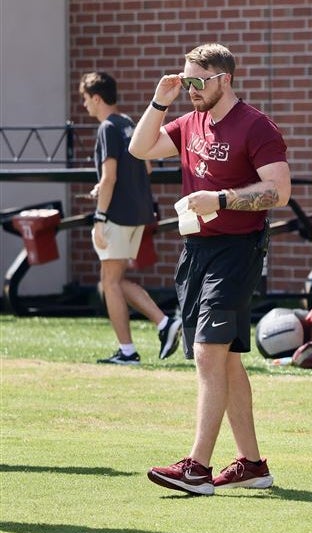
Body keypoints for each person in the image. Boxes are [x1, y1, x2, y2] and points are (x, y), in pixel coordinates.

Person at [128, 44, 291, 496]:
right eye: (188, 82)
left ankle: (197, 467)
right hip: (196, 249)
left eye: (199, 82)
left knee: (207, 352)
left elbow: (277, 191)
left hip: (237, 248)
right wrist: (161, 100)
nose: (192, 91)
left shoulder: (256, 126)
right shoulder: (189, 121)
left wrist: (219, 199)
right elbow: (140, 147)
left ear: (225, 79)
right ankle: (253, 465)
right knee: (229, 360)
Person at [79, 71, 182, 365]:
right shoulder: (127, 123)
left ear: (96, 98)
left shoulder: (106, 128)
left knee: (109, 283)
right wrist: (106, 184)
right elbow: (145, 168)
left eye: (86, 100)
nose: (85, 105)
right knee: (113, 280)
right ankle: (162, 325)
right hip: (139, 213)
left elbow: (110, 176)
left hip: (117, 215)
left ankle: (134, 347)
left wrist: (99, 216)